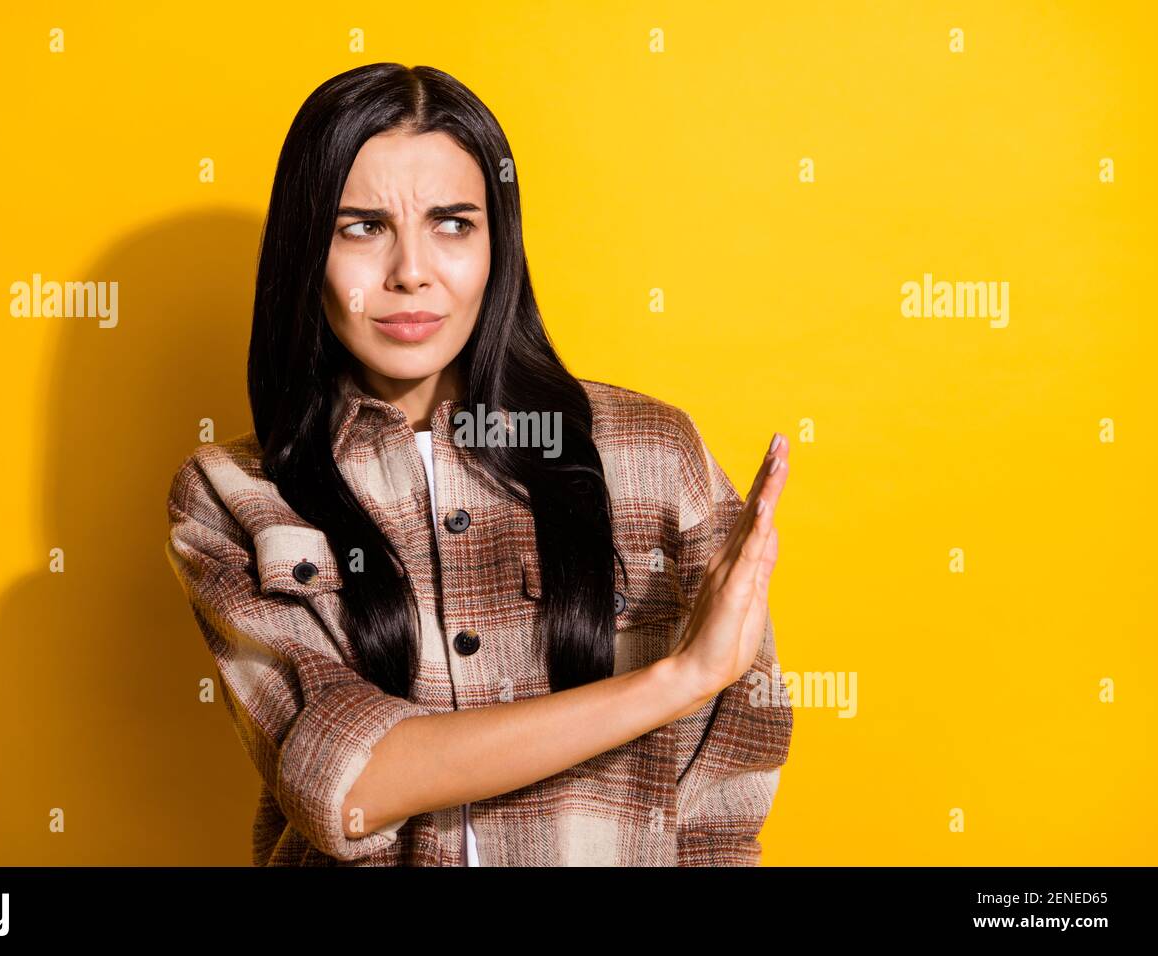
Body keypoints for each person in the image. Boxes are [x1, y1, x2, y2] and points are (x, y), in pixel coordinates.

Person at [165, 62, 792, 866]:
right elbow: (346, 788)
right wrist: (673, 680)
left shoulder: (653, 455)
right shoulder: (231, 498)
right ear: (304, 251)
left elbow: (724, 810)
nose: (411, 272)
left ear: (499, 244)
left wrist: (704, 681)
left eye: (452, 223)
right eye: (361, 227)